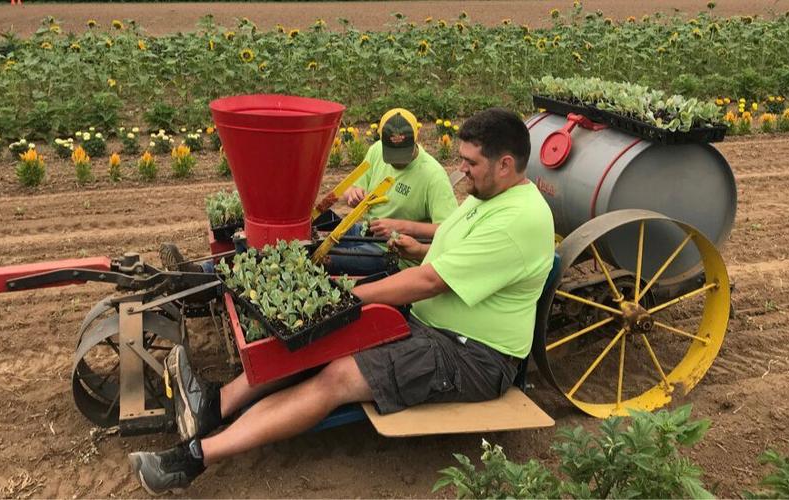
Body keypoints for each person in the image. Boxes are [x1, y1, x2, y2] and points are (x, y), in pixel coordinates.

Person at [128, 108, 556, 495]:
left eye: (471, 162)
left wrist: (343, 296)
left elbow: (428, 283)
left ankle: (193, 459)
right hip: (430, 322)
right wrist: (417, 249)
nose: (460, 170)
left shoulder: (518, 219)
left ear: (505, 164)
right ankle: (213, 405)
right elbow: (454, 256)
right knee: (322, 339)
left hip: (471, 354)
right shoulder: (487, 197)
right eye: (461, 159)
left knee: (337, 375)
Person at [327, 107, 458, 275]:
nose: (397, 161)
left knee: (329, 261)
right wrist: (352, 193)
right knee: (314, 248)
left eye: (402, 153)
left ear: (416, 140)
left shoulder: (433, 176)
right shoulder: (376, 151)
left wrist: (402, 227)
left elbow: (449, 229)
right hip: (367, 232)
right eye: (392, 154)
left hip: (396, 253)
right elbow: (349, 188)